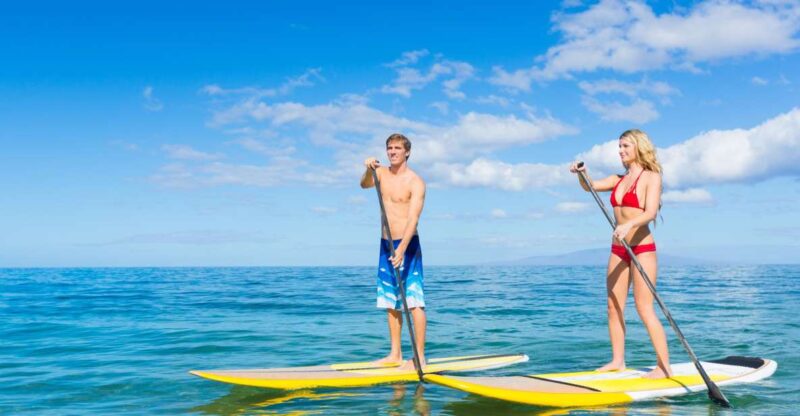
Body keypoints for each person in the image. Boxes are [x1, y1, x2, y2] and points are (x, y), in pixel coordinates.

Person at [570, 129, 672, 379]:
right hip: (618, 249)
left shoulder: (652, 177)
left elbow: (649, 212)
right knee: (613, 306)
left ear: (639, 147)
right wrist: (582, 174)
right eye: (619, 147)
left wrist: (629, 224)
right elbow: (590, 188)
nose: (621, 151)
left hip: (642, 248)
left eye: (625, 146)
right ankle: (618, 361)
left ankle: (664, 367)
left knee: (643, 307)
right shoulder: (618, 179)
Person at [360, 133, 427, 370]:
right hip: (385, 243)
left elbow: (413, 218)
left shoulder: (415, 181)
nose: (392, 152)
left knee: (414, 301)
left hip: (408, 245)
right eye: (389, 148)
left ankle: (419, 356)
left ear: (407, 152)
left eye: (397, 148)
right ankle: (395, 354)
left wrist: (402, 247)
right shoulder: (380, 174)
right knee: (390, 300)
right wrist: (369, 169)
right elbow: (365, 184)